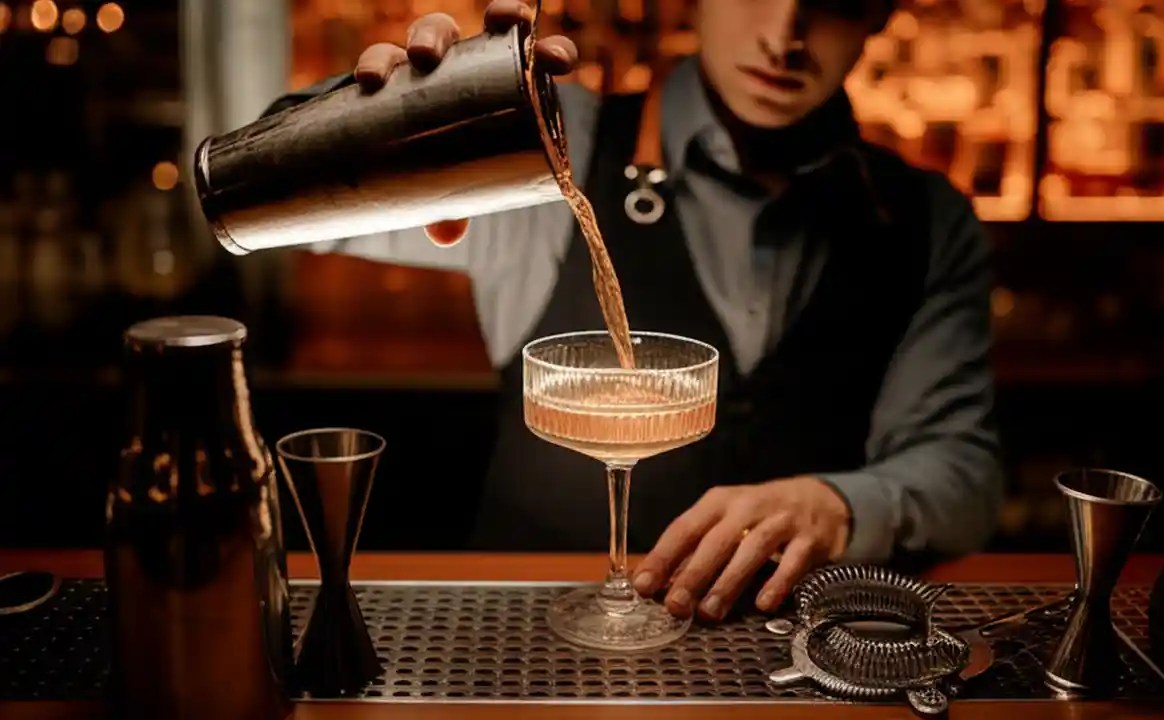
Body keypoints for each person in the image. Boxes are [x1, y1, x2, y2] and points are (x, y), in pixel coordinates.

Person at [260, 0, 1003, 622]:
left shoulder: (926, 220)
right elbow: (257, 194)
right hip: (530, 647)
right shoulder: (553, 142)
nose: (783, 34)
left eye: (831, 0)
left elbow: (964, 474)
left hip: (796, 659)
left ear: (879, 12)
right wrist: (388, 115)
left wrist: (837, 506)